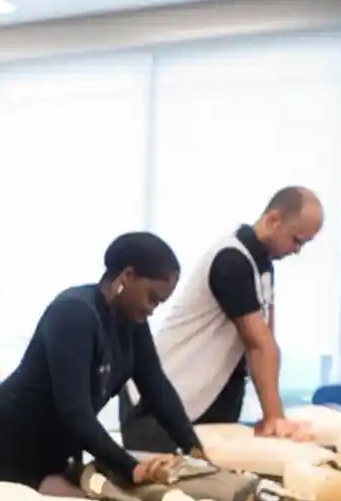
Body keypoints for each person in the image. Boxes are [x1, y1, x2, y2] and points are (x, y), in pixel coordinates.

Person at [0, 232, 201, 497]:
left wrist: (194, 449)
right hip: (0, 453)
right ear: (127, 276)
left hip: (50, 454)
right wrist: (132, 468)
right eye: (151, 297)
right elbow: (75, 412)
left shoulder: (133, 324)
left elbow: (157, 389)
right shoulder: (74, 313)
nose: (153, 309)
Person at [120, 186, 324, 451]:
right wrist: (274, 417)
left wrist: (272, 415)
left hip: (207, 400)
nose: (297, 250)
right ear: (273, 220)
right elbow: (259, 345)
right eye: (296, 240)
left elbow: (265, 345)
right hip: (159, 402)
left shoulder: (261, 265)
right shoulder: (231, 260)